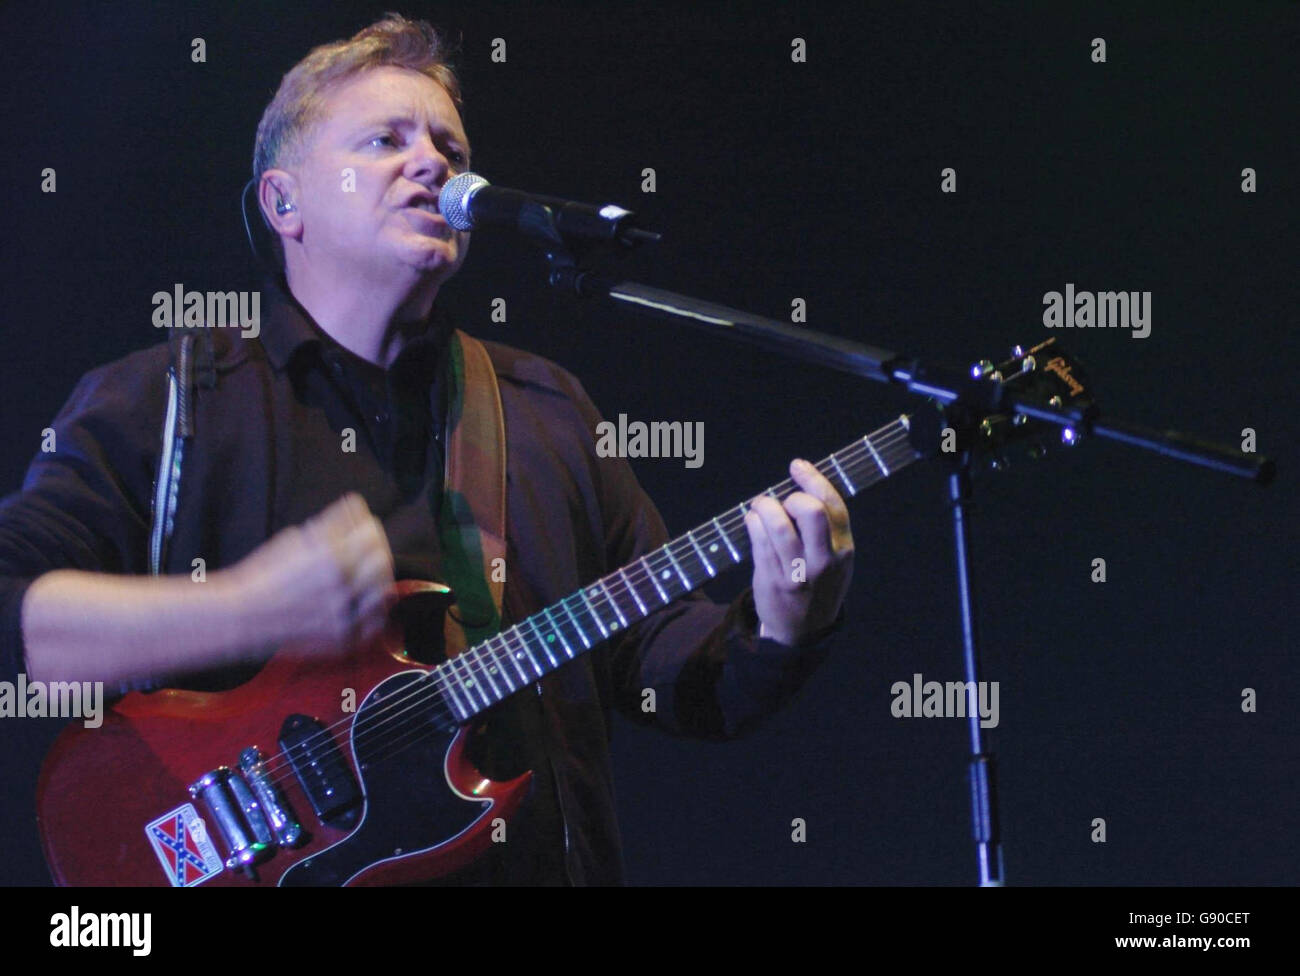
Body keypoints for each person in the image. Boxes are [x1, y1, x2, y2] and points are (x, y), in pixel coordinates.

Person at [2, 14, 854, 885]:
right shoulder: (168, 400)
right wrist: (247, 606)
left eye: (451, 145)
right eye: (385, 139)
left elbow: (670, 675)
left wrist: (786, 621)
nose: (436, 165)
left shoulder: (542, 408)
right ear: (284, 201)